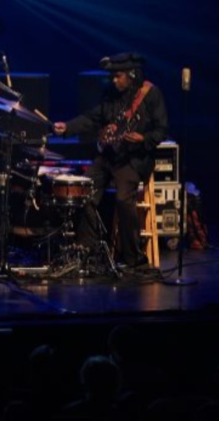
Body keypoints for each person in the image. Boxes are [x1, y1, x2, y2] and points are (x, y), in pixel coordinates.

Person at [53, 53, 168, 270]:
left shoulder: (151, 95)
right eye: (113, 77)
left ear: (132, 75)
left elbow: (161, 130)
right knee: (82, 191)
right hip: (108, 156)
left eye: (118, 76)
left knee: (124, 199)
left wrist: (143, 138)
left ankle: (134, 258)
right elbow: (92, 118)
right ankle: (89, 249)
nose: (114, 81)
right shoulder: (110, 95)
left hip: (133, 158)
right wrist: (67, 128)